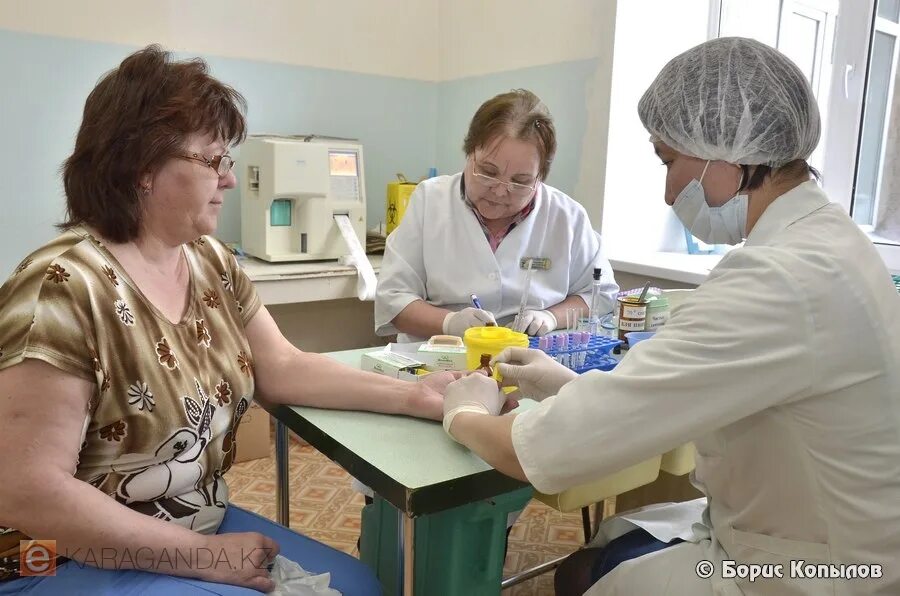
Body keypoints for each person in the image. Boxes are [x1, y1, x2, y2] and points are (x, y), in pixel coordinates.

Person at [439, 37, 900, 595]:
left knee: (586, 574)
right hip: (833, 537)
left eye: (669, 161)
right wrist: (560, 381)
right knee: (602, 552)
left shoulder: (777, 281)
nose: (666, 191)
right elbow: (677, 393)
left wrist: (463, 414)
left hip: (812, 572)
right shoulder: (832, 240)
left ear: (727, 154)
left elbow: (549, 450)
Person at [0, 46, 460, 595]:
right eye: (213, 161)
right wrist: (199, 557)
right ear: (143, 168)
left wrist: (415, 394)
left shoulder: (210, 261)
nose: (231, 181)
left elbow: (283, 366)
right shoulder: (62, 289)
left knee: (359, 586)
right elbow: (25, 489)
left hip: (191, 522)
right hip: (56, 555)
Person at [375, 89, 618, 342]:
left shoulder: (567, 217)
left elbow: (600, 294)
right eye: (488, 172)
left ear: (540, 177)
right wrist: (449, 323)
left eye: (520, 181)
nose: (501, 191)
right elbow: (393, 298)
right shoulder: (430, 201)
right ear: (469, 154)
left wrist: (552, 317)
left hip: (532, 361)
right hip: (440, 361)